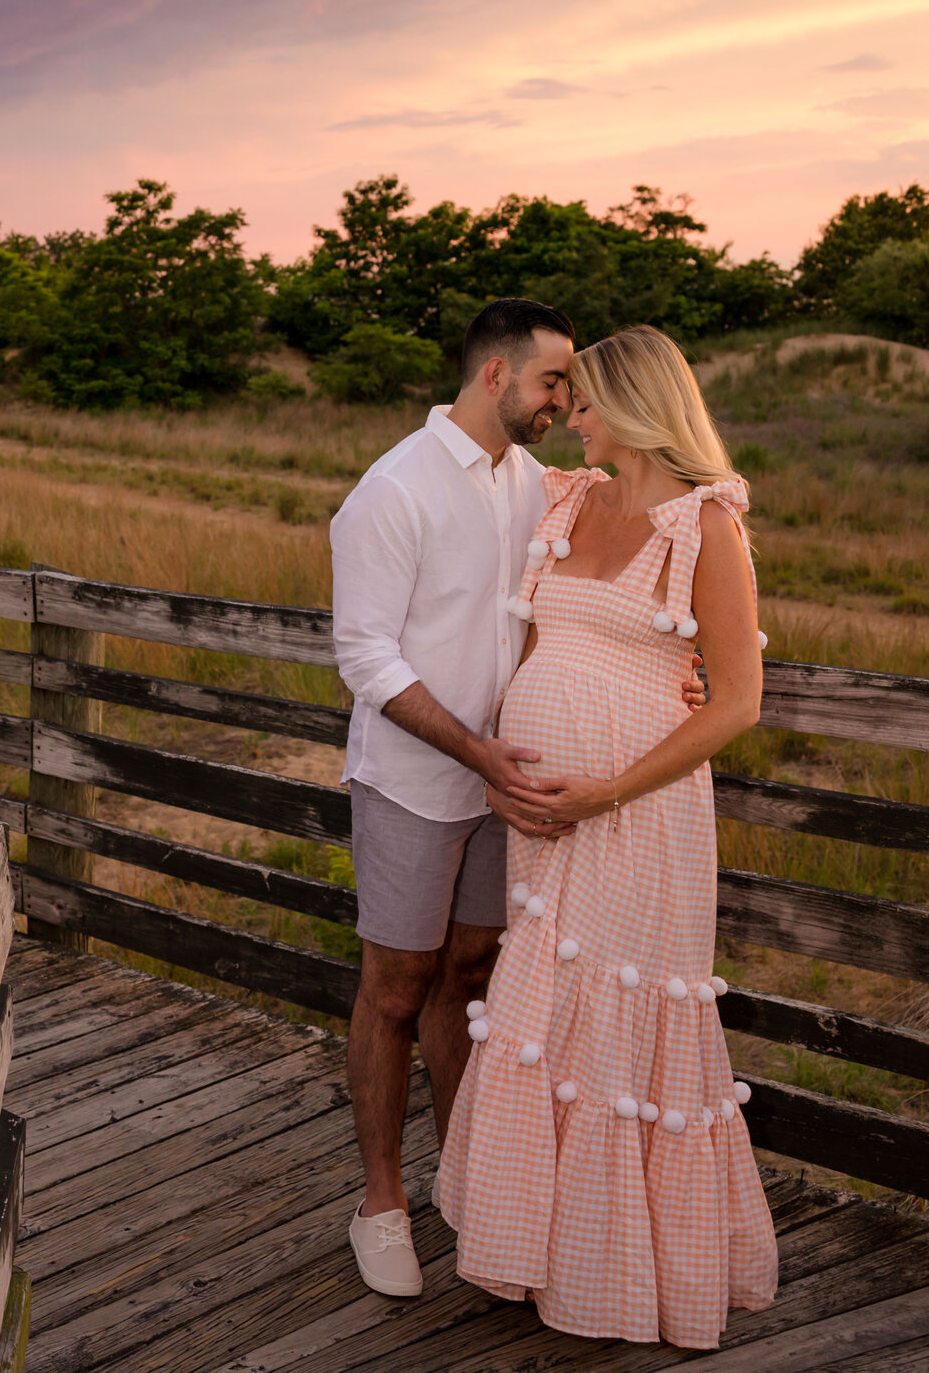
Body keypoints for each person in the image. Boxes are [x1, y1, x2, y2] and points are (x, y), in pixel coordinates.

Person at [433, 324, 779, 1348]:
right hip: (543, 805)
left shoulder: (704, 525)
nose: (565, 416)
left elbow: (736, 701)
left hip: (637, 809)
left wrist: (609, 787)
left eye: (581, 402)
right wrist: (502, 764)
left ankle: (619, 1269)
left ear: (629, 406)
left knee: (613, 1013)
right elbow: (534, 632)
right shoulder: (565, 498)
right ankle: (538, 1249)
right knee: (542, 1009)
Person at [329, 298, 579, 1300]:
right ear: (494, 376)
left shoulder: (539, 485)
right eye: (552, 379)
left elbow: (594, 592)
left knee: (471, 971)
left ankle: (464, 1175)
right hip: (416, 777)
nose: (564, 398)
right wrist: (473, 748)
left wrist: (681, 668)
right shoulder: (392, 489)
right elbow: (364, 654)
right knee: (397, 984)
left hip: (503, 781)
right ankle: (379, 1201)